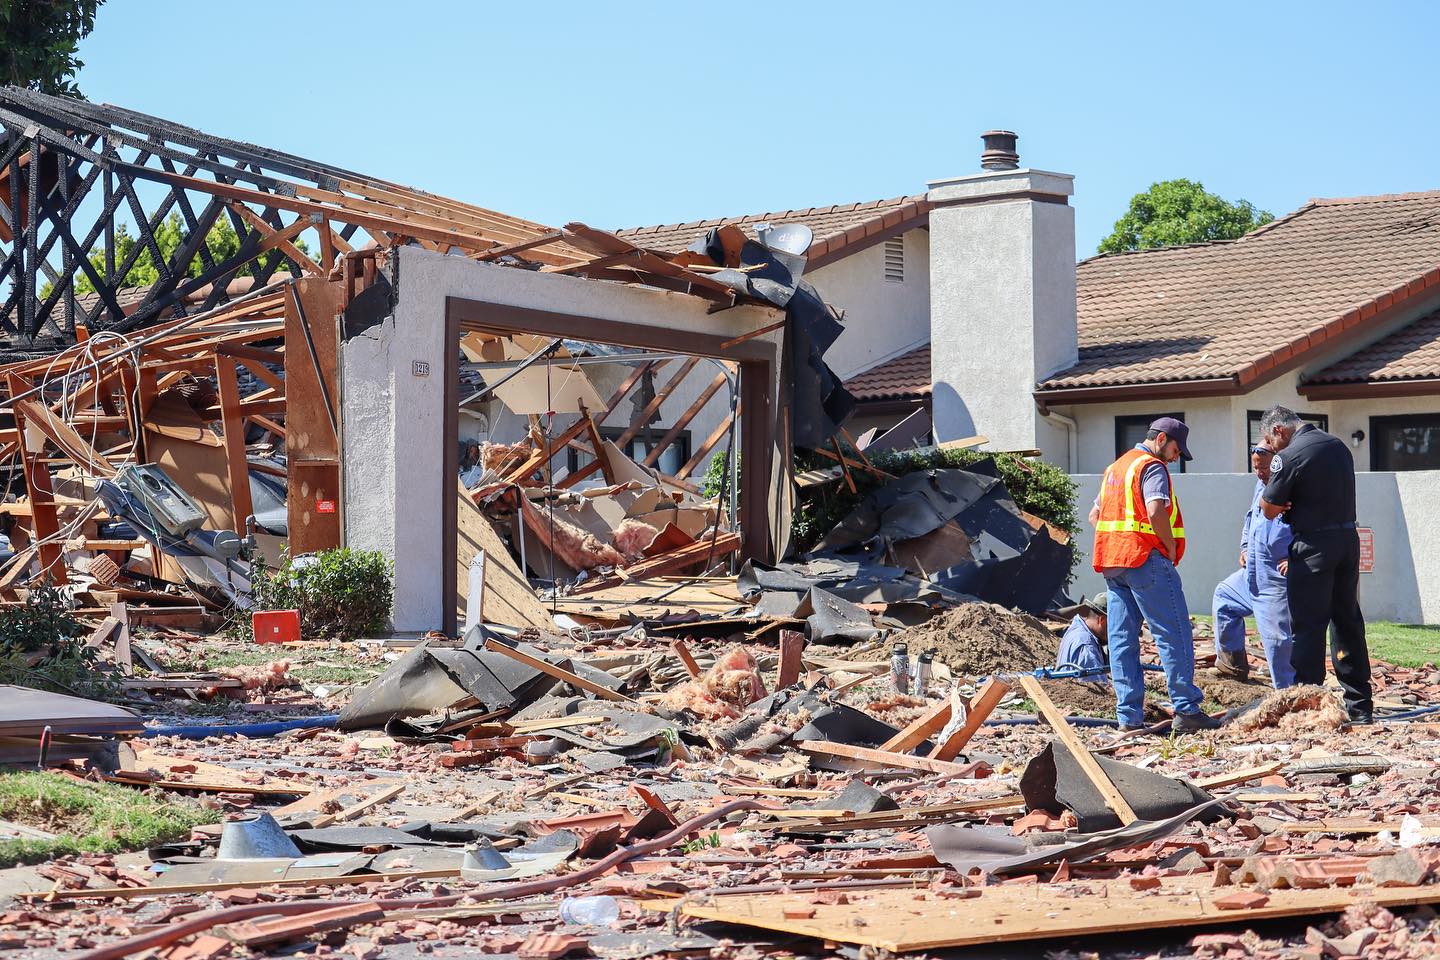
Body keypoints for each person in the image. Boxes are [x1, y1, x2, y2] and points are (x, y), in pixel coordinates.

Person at [1089, 417, 1218, 732]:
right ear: (1161, 439)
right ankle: (1187, 710)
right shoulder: (1151, 467)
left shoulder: (1116, 469)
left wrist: (1120, 540)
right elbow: (1156, 510)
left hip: (1114, 563)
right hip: (1145, 559)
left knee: (1121, 641)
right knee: (1173, 633)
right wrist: (1169, 546)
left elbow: (1095, 515)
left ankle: (1128, 718)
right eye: (1176, 450)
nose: (1176, 458)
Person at [1258, 406, 1373, 722]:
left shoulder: (1290, 455)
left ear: (1280, 431)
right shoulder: (1337, 446)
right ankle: (1360, 708)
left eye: (1270, 442)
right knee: (1347, 621)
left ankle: (1308, 706)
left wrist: (1283, 499)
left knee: (1308, 627)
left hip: (1313, 547)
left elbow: (1268, 507)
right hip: (1348, 541)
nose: (1271, 449)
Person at [1210, 441, 1295, 688]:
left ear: (1278, 462)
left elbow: (1312, 530)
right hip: (1252, 572)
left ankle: (1288, 695)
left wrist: (1294, 558)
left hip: (1275, 579)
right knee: (1224, 597)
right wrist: (1245, 548)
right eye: (1256, 469)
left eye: (1264, 469)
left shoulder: (1295, 489)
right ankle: (1231, 667)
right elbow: (1250, 520)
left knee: (1277, 641)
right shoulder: (1260, 486)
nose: (1260, 474)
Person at [1056, 593, 1109, 675]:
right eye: (1116, 625)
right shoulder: (1086, 648)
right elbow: (1094, 685)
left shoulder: (1077, 630)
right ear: (1102, 621)